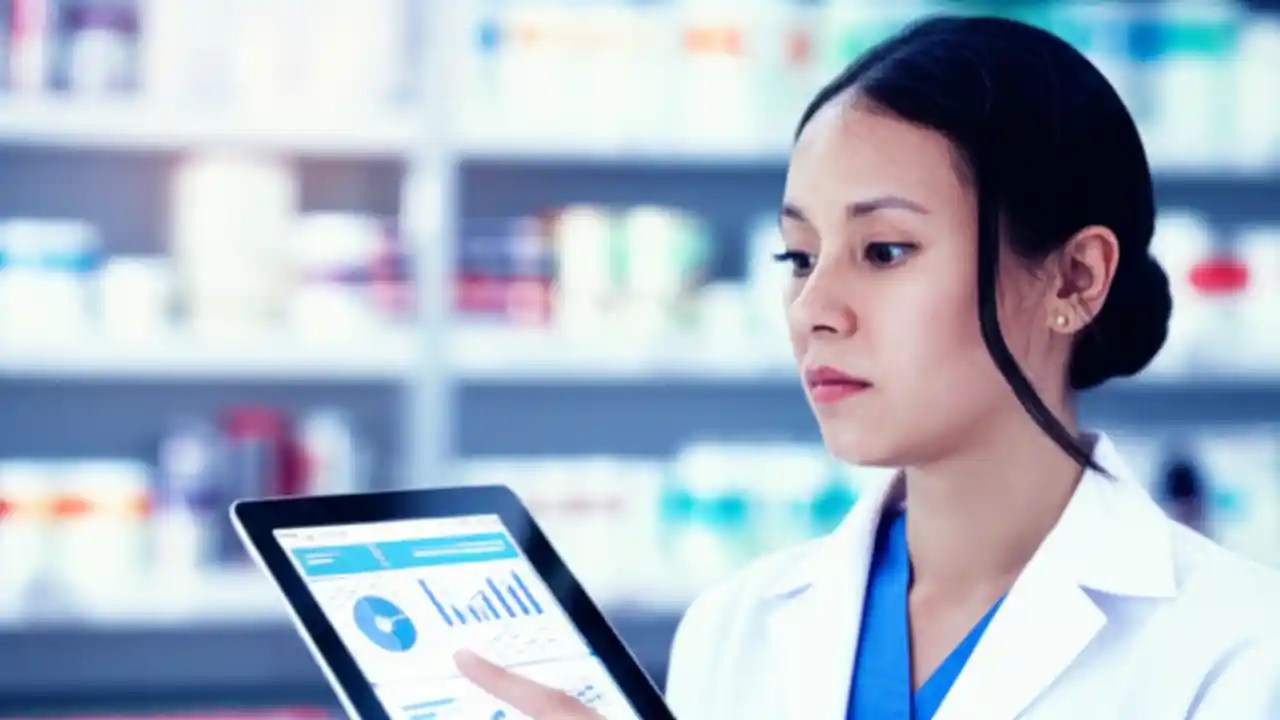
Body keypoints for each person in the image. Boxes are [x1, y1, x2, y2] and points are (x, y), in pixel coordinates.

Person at [454, 15, 1280, 719]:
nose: (817, 306)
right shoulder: (734, 629)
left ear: (1074, 279)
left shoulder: (1235, 649)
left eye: (885, 251)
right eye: (800, 255)